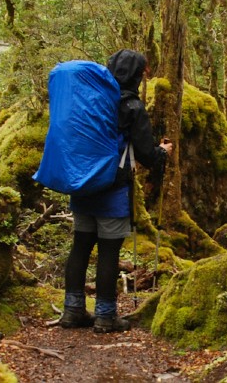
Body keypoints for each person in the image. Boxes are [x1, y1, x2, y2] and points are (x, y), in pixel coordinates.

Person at [58, 49, 173, 333]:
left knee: (81, 247)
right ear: (135, 75)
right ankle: (105, 317)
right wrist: (163, 152)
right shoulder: (131, 106)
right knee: (109, 252)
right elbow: (147, 154)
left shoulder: (94, 98)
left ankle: (72, 312)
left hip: (83, 184)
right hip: (112, 187)